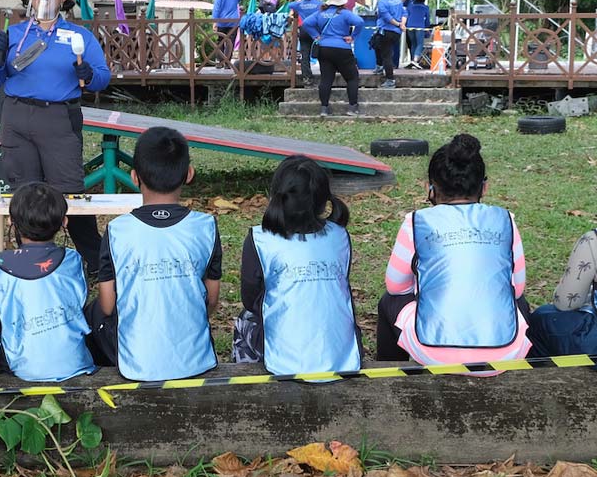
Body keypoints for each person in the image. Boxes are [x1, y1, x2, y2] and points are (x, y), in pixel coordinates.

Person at [0, 0, 111, 277]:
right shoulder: (12, 35)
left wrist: (88, 75)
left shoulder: (79, 36)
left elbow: (102, 78)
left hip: (59, 118)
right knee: (24, 194)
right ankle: (25, 261)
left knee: (70, 195)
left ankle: (97, 262)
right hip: (16, 115)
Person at [376, 134, 532, 370]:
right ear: (484, 187)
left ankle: (389, 376)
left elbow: (395, 287)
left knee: (389, 301)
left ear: (430, 188)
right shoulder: (505, 219)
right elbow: (517, 288)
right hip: (505, 352)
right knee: (519, 303)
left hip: (433, 351)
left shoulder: (416, 221)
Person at [86, 127, 221, 381]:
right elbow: (211, 301)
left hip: (136, 366)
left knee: (93, 312)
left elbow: (108, 305)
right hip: (196, 361)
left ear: (134, 177)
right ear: (189, 174)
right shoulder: (206, 227)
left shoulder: (117, 231)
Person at [236, 156, 361, 376]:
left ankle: (247, 378)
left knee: (245, 319)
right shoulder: (340, 236)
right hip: (343, 359)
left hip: (283, 363)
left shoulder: (260, 239)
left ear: (276, 195)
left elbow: (250, 298)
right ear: (323, 201)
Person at [0, 182, 96, 382]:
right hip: (74, 362)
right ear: (65, 222)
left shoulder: (0, 265)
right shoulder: (72, 260)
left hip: (22, 367)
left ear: (11, 222)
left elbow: (0, 319)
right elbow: (79, 304)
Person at [527, 230, 597, 356]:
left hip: (592, 343)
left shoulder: (592, 240)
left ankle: (540, 374)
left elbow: (566, 303)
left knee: (541, 318)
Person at [299, 0, 363, 117]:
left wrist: (316, 36)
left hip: (324, 48)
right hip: (342, 48)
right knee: (352, 77)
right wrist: (352, 37)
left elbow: (306, 23)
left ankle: (324, 108)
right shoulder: (345, 14)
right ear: (342, 2)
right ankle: (352, 107)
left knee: (326, 79)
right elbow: (360, 22)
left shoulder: (321, 13)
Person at [373, 0, 405, 88]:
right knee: (384, 50)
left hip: (385, 30)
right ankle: (379, 67)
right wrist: (402, 24)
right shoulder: (398, 0)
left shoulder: (382, 2)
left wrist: (397, 24)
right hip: (396, 32)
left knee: (386, 55)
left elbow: (387, 18)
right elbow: (405, 13)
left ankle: (390, 79)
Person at [290, 0, 324, 87]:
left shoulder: (300, 4)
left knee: (305, 55)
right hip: (316, 31)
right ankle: (325, 76)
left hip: (304, 30)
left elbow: (290, 5)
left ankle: (307, 78)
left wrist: (300, 1)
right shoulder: (320, 4)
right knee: (322, 54)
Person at [211, 0, 243, 67]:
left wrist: (215, 21)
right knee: (230, 42)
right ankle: (227, 62)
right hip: (233, 20)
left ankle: (220, 62)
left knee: (220, 40)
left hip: (222, 20)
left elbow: (217, 8)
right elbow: (237, 2)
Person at [404, 0, 431, 68]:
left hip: (409, 27)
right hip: (420, 26)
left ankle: (412, 61)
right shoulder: (425, 7)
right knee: (420, 44)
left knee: (413, 44)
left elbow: (406, 15)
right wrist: (427, 27)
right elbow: (427, 19)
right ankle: (415, 61)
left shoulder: (410, 6)